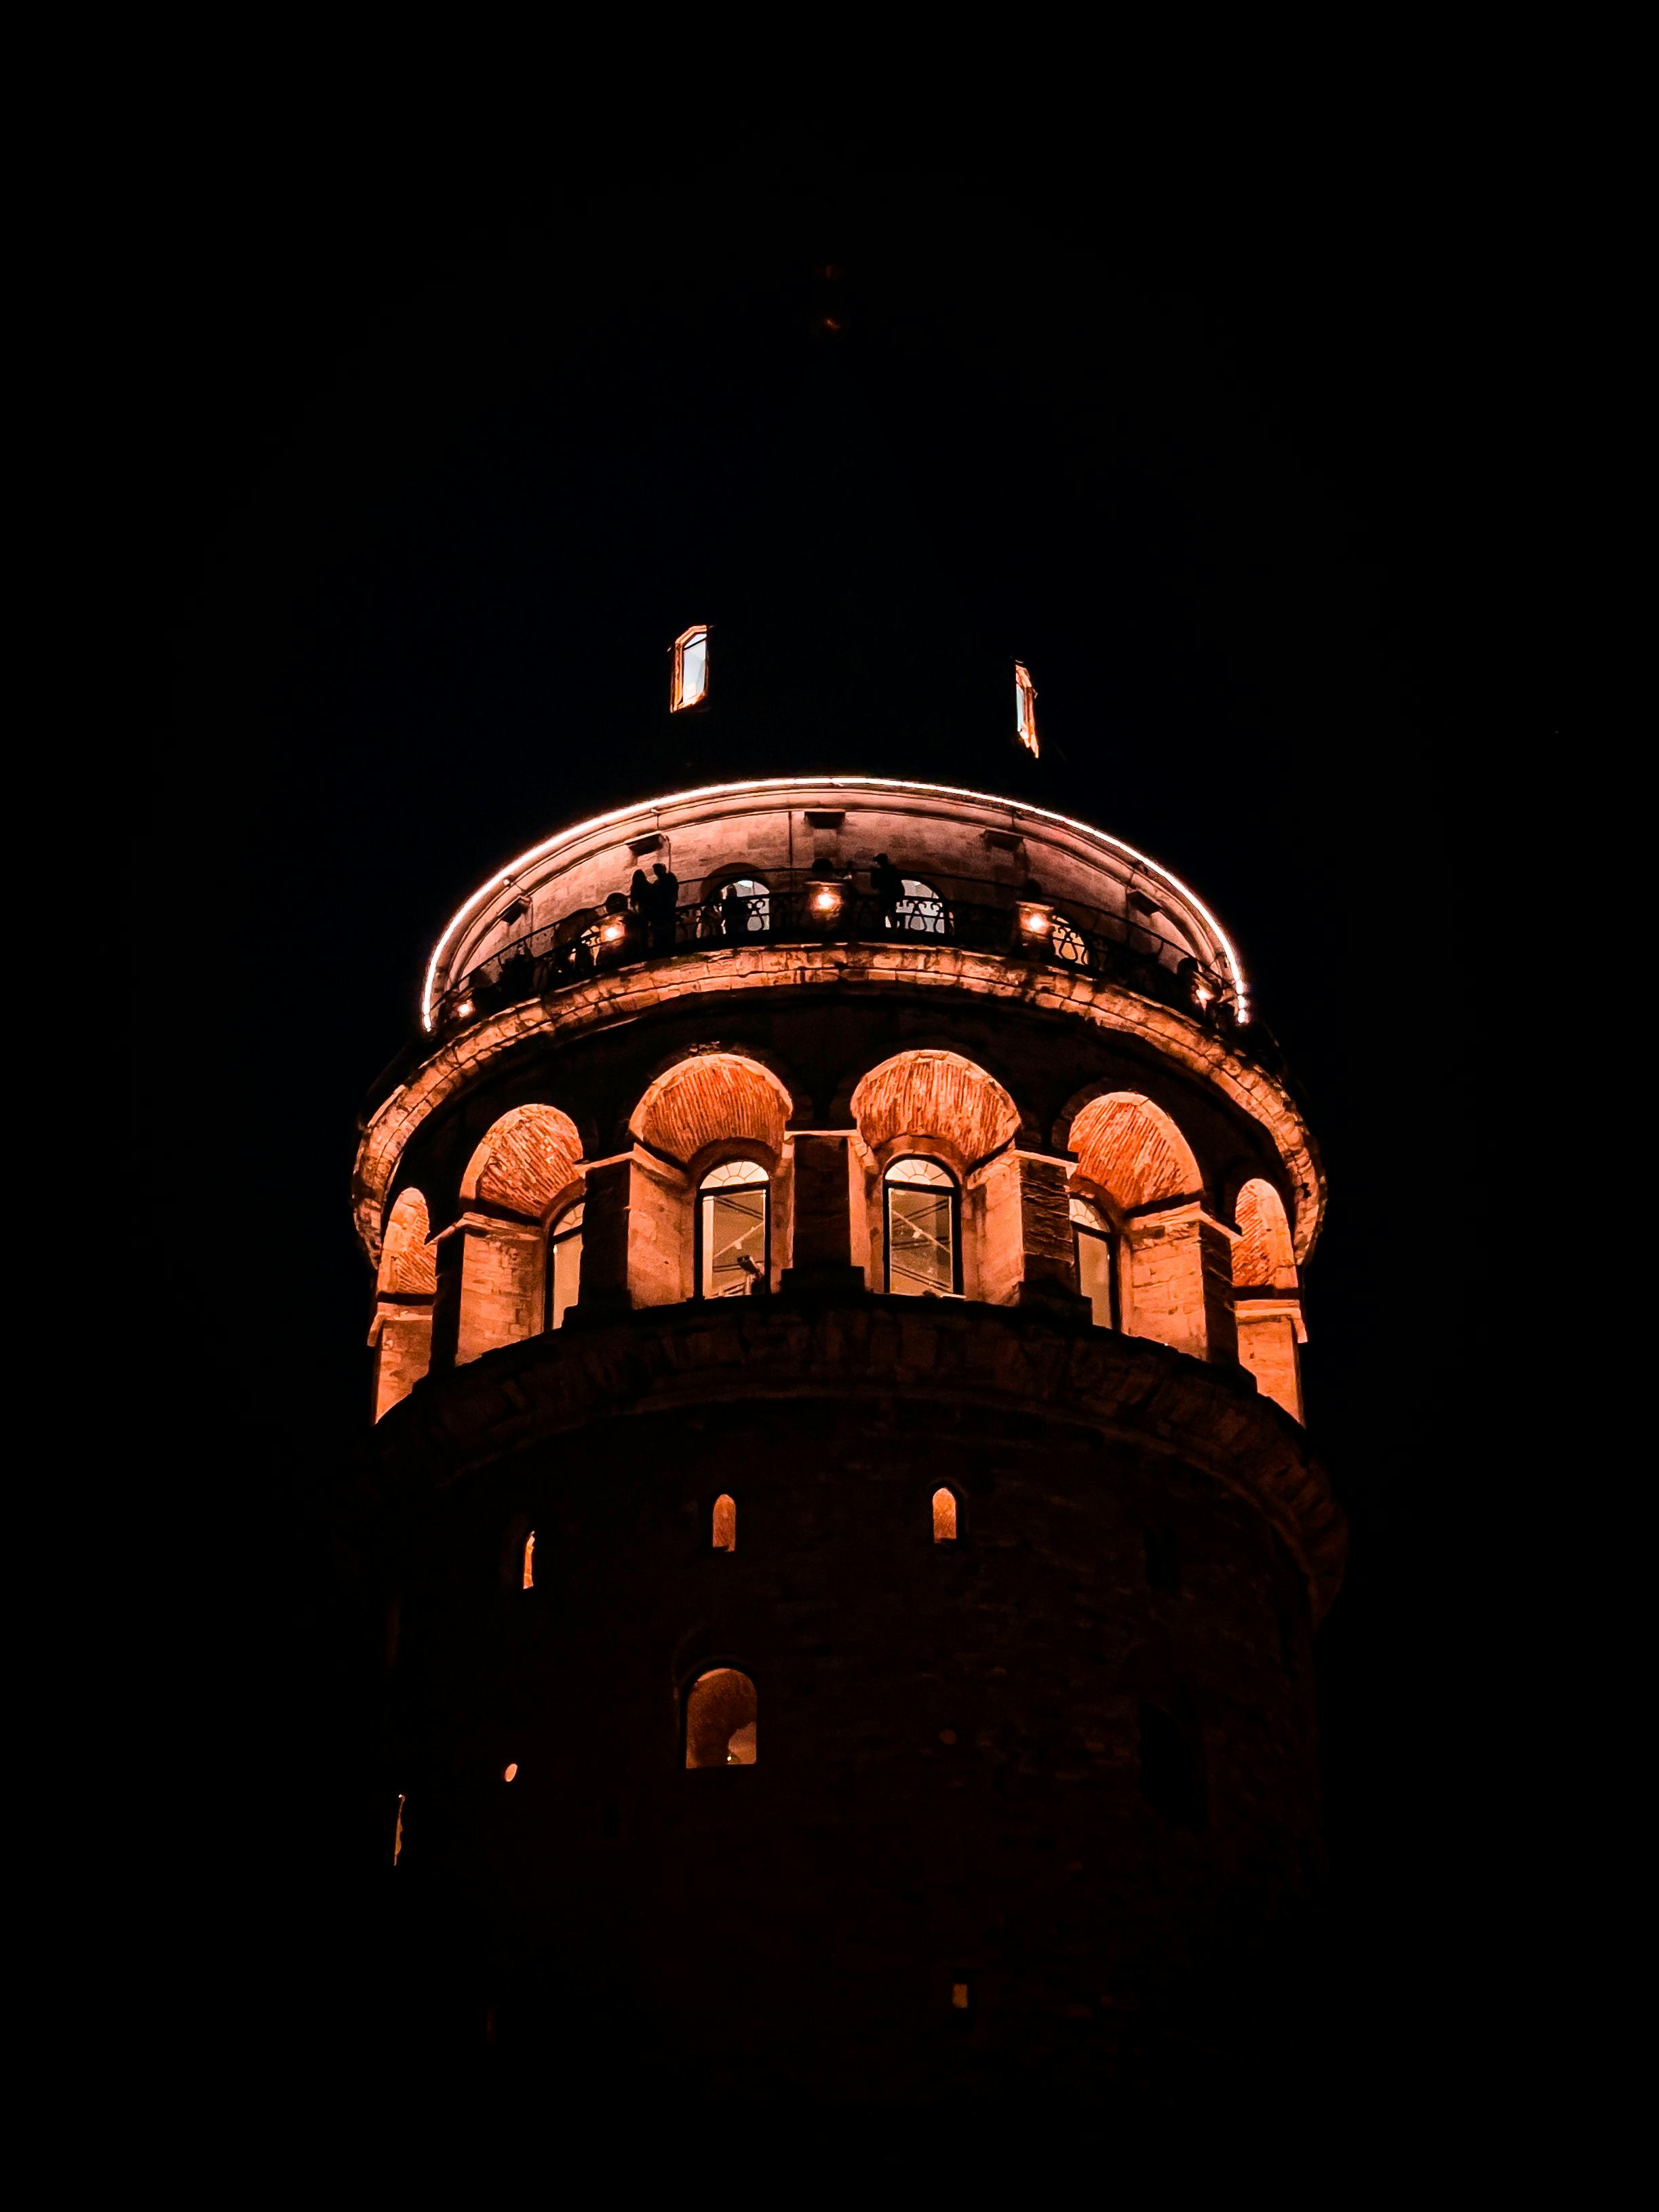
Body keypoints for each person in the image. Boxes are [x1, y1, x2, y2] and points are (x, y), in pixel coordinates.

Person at [648, 861, 680, 956]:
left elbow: (671, 892)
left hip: (666, 908)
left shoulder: (668, 879)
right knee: (661, 930)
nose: (656, 872)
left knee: (667, 929)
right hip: (660, 910)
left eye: (657, 870)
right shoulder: (659, 882)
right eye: (655, 870)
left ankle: (668, 948)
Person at [872, 852, 903, 926]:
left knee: (882, 913)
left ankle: (884, 931)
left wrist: (874, 874)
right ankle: (894, 929)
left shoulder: (878, 872)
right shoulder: (892, 869)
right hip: (892, 894)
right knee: (892, 912)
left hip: (883, 895)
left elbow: (874, 885)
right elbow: (897, 881)